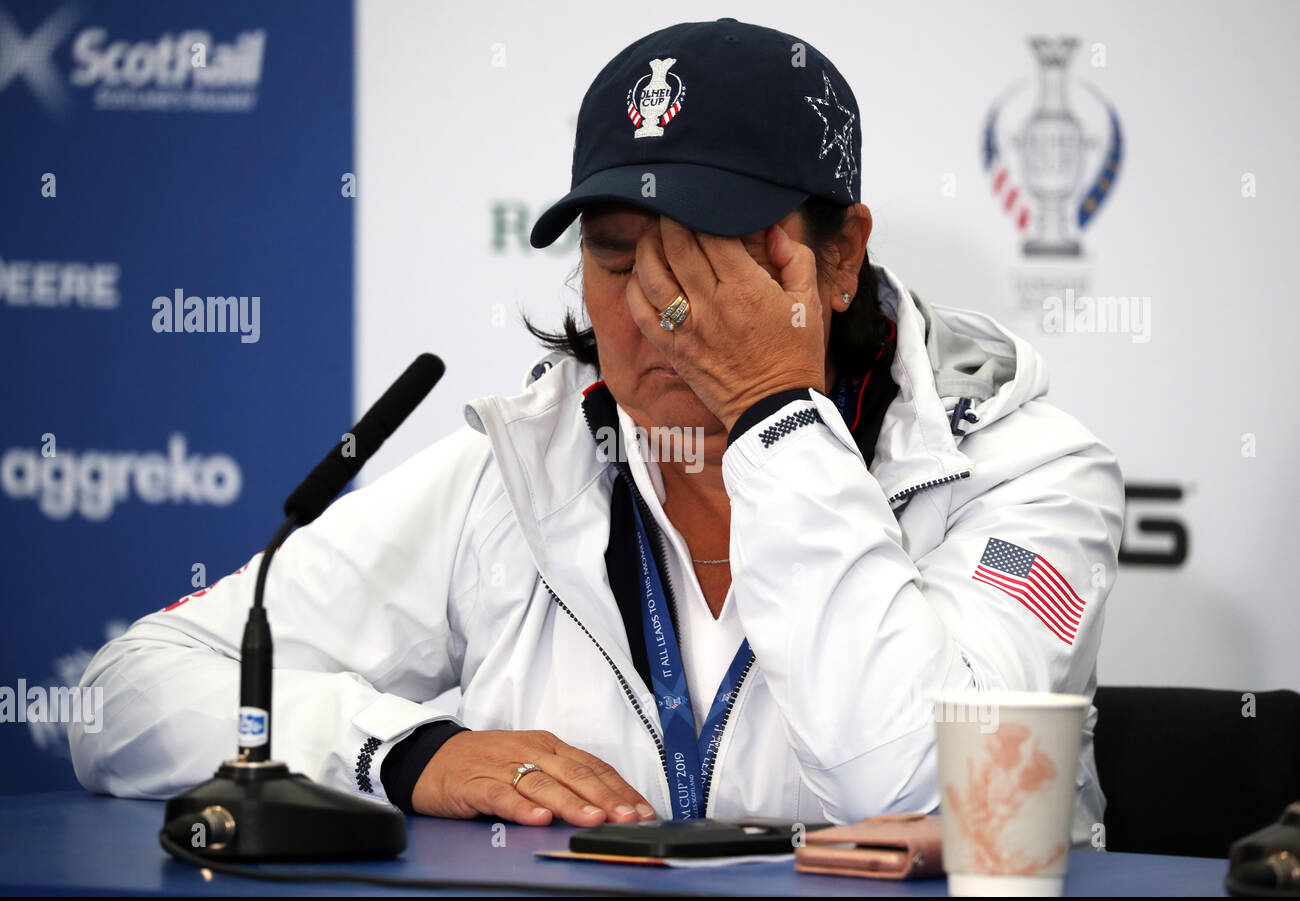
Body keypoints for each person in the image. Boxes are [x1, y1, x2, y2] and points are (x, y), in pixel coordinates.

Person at [71, 18, 1124, 845]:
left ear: (839, 257)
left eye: (709, 260)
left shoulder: (1027, 474)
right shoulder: (521, 466)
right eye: (617, 258)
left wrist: (772, 406)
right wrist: (400, 754)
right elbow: (124, 695)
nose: (659, 309)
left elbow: (914, 780)